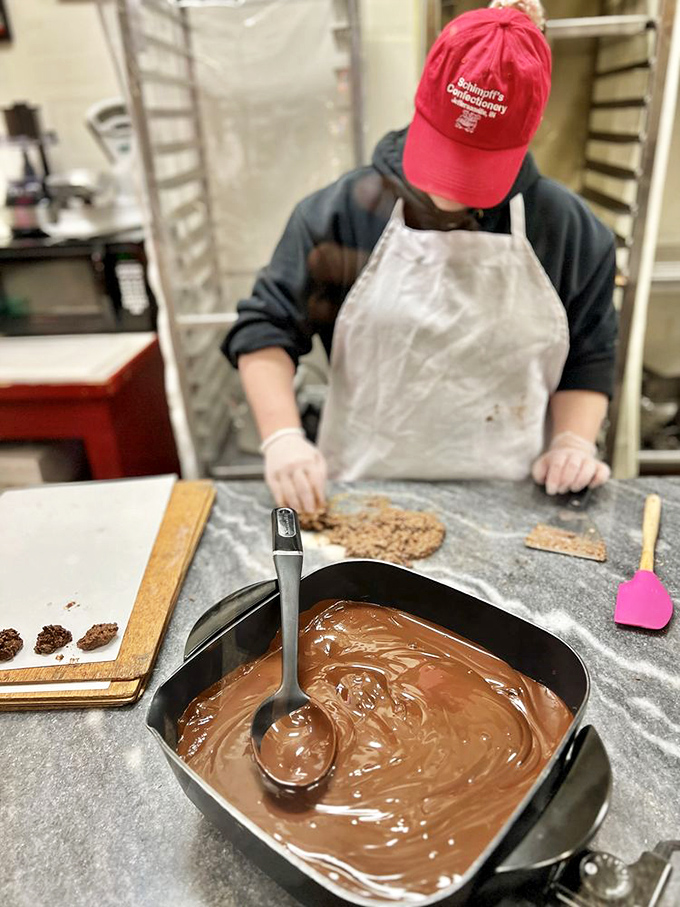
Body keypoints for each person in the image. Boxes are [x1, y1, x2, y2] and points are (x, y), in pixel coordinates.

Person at [222, 1, 617, 514]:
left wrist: (572, 443)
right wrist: (282, 438)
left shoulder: (568, 231)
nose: (452, 192)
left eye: (476, 168)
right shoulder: (344, 213)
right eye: (447, 152)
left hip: (513, 501)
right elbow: (266, 325)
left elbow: (589, 353)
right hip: (359, 494)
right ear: (422, 103)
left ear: (525, 137)